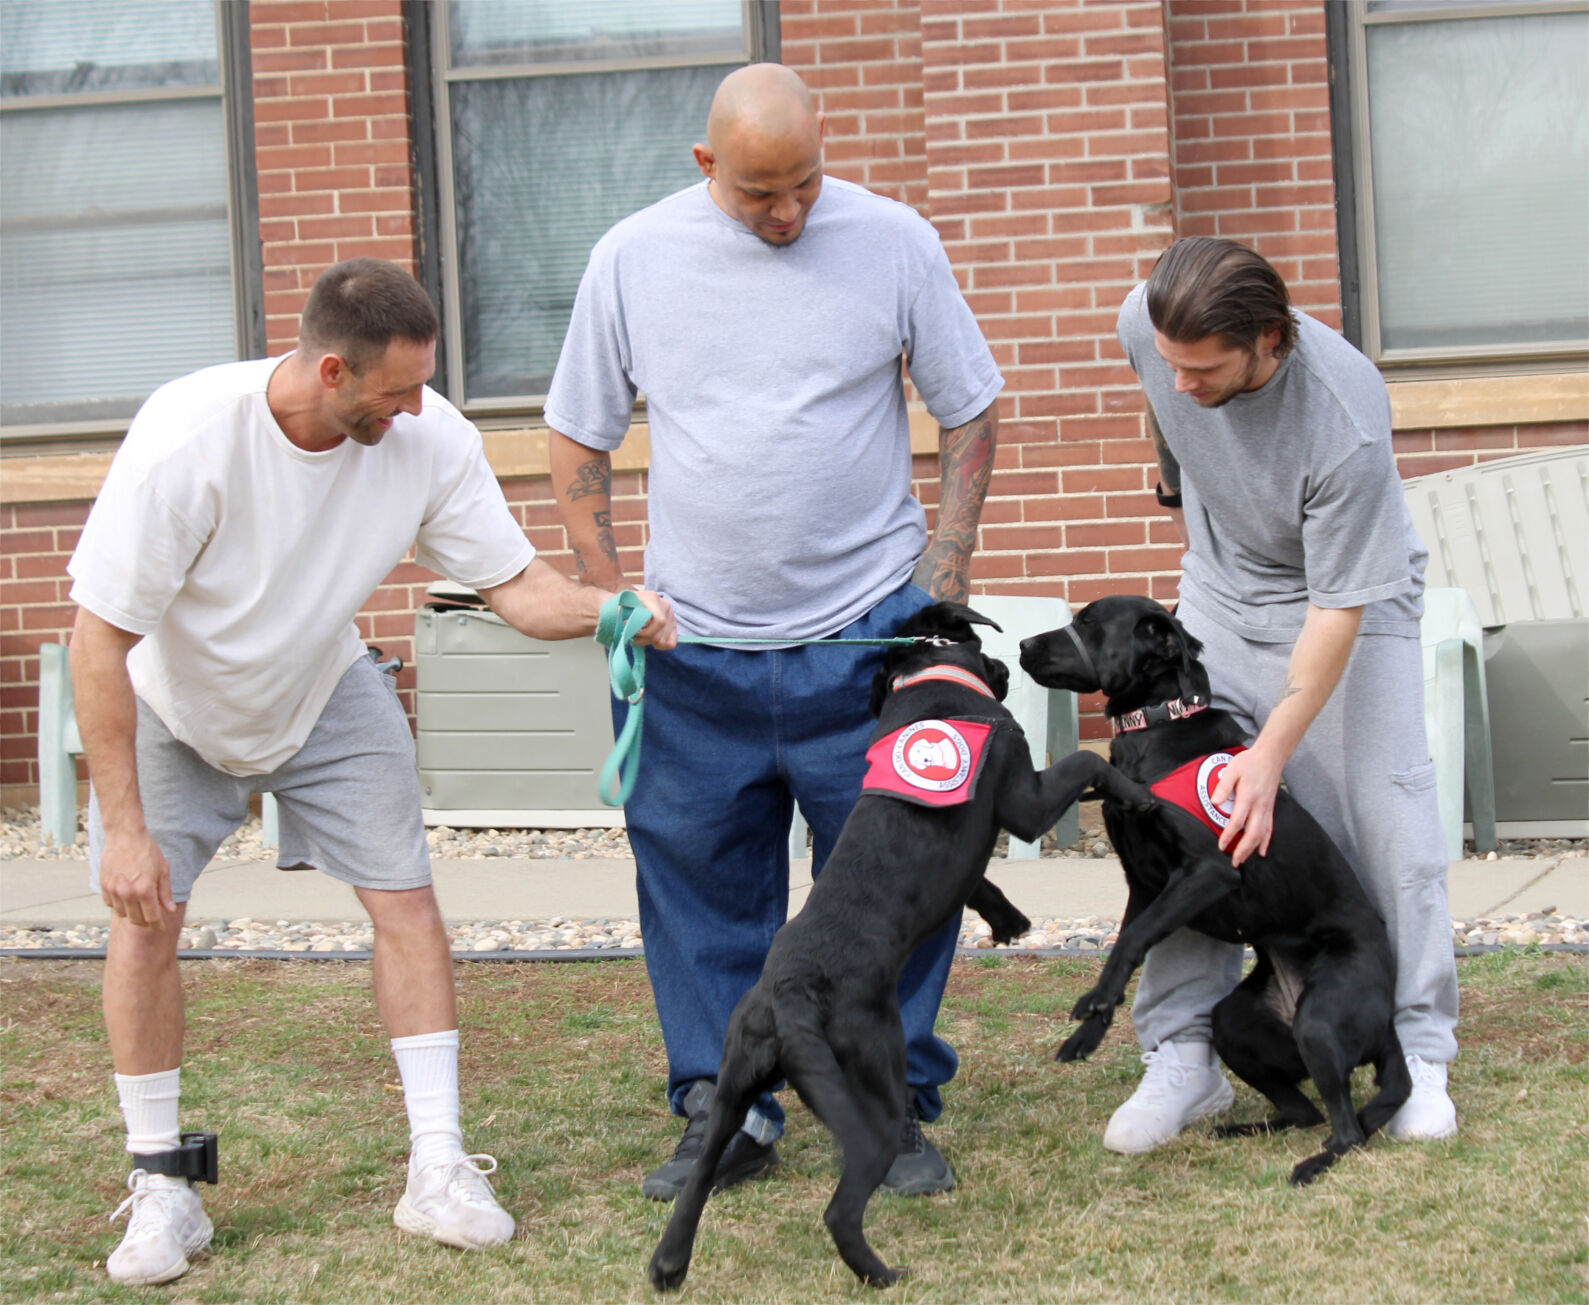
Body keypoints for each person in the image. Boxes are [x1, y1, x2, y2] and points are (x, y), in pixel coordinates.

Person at [67, 258, 674, 1285]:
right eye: (392, 393)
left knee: (407, 907)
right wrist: (123, 826)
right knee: (144, 918)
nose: (412, 409)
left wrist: (616, 608)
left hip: (323, 686)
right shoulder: (189, 436)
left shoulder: (426, 435)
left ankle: (436, 1167)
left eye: (420, 387)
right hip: (176, 702)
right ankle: (162, 1186)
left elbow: (519, 591)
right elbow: (97, 640)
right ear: (332, 370)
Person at [544, 63, 1003, 1201]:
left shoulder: (893, 241)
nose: (787, 212)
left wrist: (940, 571)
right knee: (698, 878)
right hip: (691, 650)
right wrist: (614, 591)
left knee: (897, 878)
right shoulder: (630, 260)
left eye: (802, 183)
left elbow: (970, 402)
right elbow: (575, 445)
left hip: (868, 637)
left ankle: (883, 1103)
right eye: (758, 194)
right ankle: (725, 1104)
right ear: (706, 165)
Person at [1107, 235, 1459, 1152]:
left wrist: (1267, 757)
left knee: (1385, 811)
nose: (1179, 383)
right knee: (1178, 813)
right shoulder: (1147, 329)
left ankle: (1417, 1048)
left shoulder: (1343, 417)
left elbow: (1334, 613)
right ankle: (1183, 1055)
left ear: (1269, 340)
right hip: (1221, 592)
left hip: (1346, 599)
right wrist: (1175, 472)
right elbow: (1164, 396)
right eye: (1168, 363)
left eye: (1205, 369)